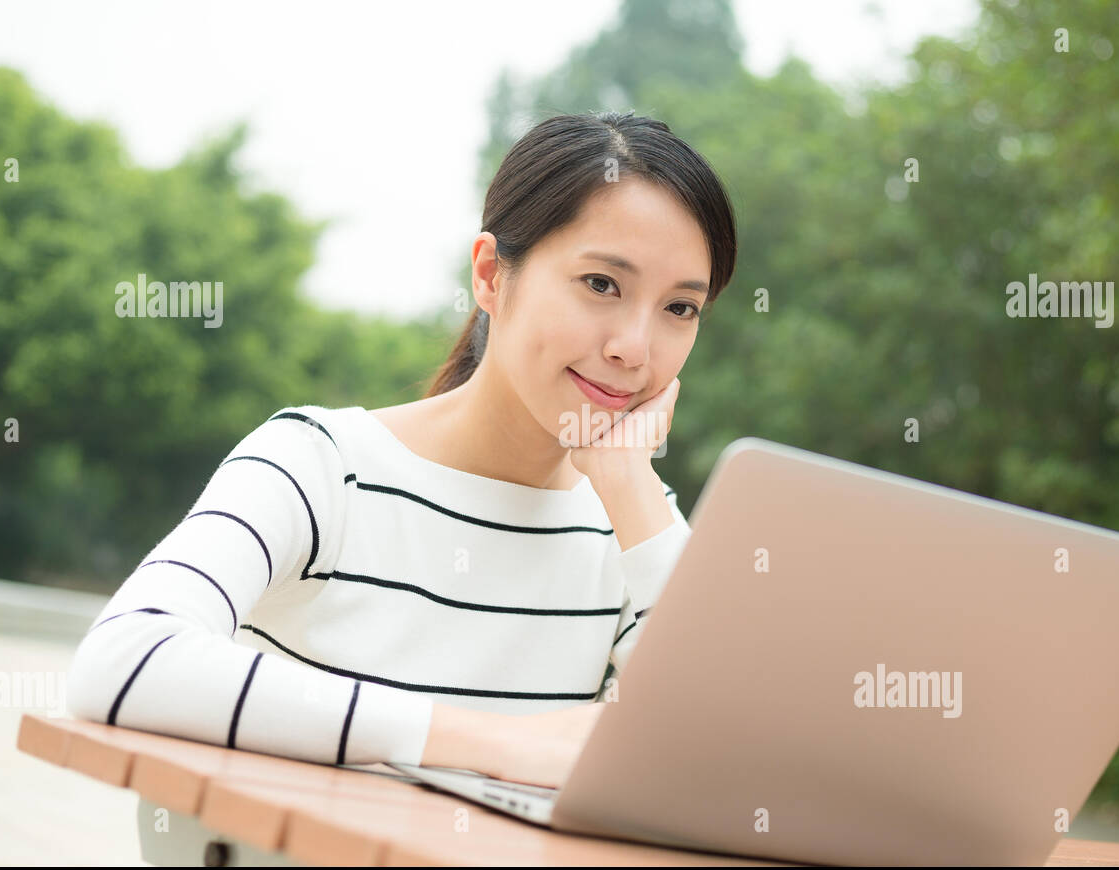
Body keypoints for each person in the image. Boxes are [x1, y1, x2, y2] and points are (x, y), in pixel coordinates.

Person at [67, 109, 738, 788]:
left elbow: (734, 764)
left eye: (680, 308)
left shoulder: (638, 530)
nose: (634, 348)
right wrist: (489, 744)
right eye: (602, 284)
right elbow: (122, 660)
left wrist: (627, 482)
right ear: (490, 276)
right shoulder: (320, 466)